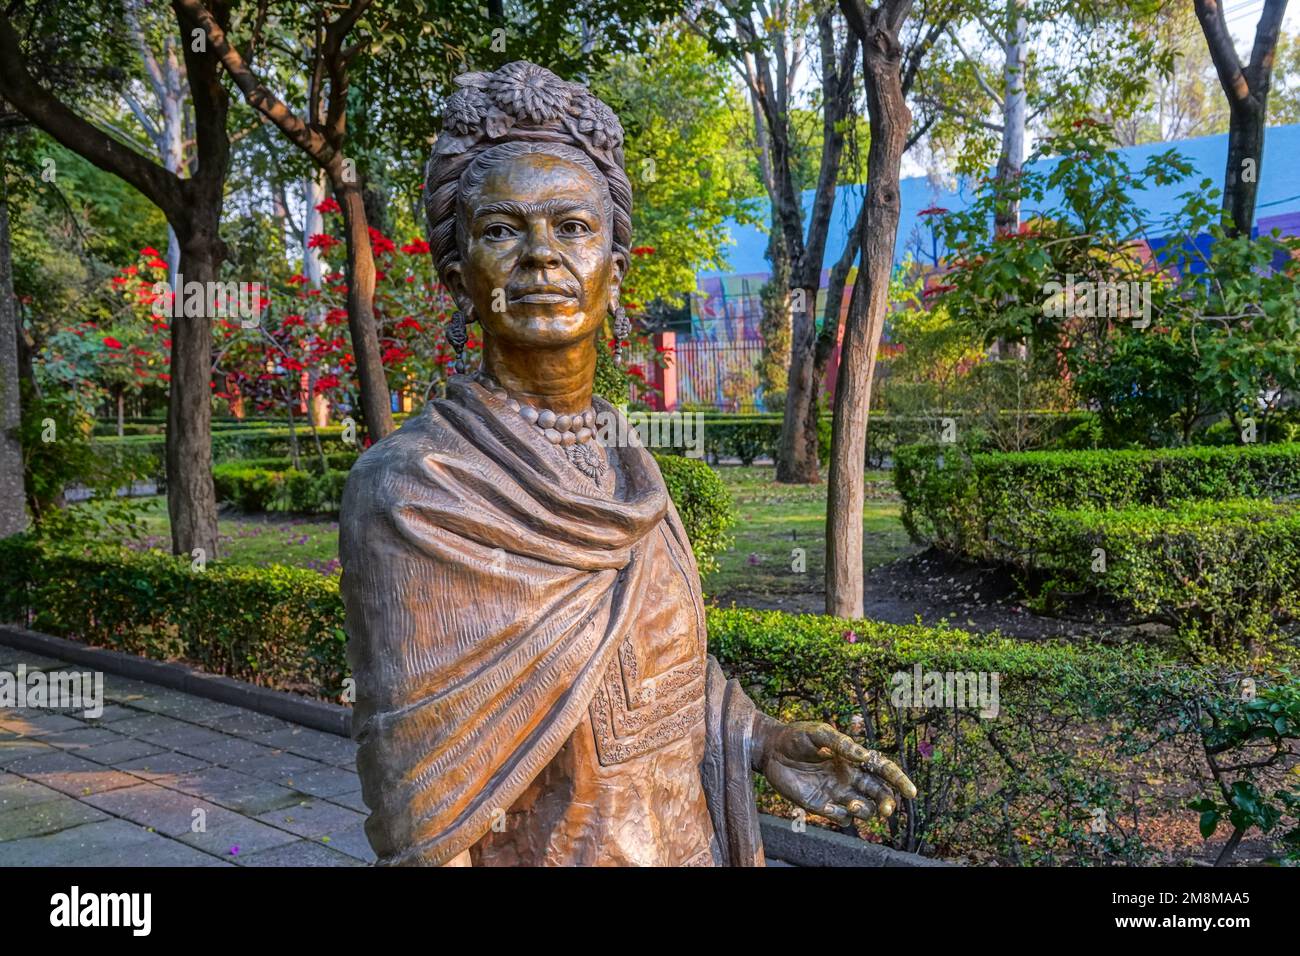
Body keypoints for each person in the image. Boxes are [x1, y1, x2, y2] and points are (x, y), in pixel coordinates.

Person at [339, 61, 915, 866]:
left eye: (573, 227)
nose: (542, 255)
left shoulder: (630, 466)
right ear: (457, 272)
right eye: (502, 230)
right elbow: (421, 807)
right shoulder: (412, 491)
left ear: (617, 268)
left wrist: (756, 736)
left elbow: (642, 674)